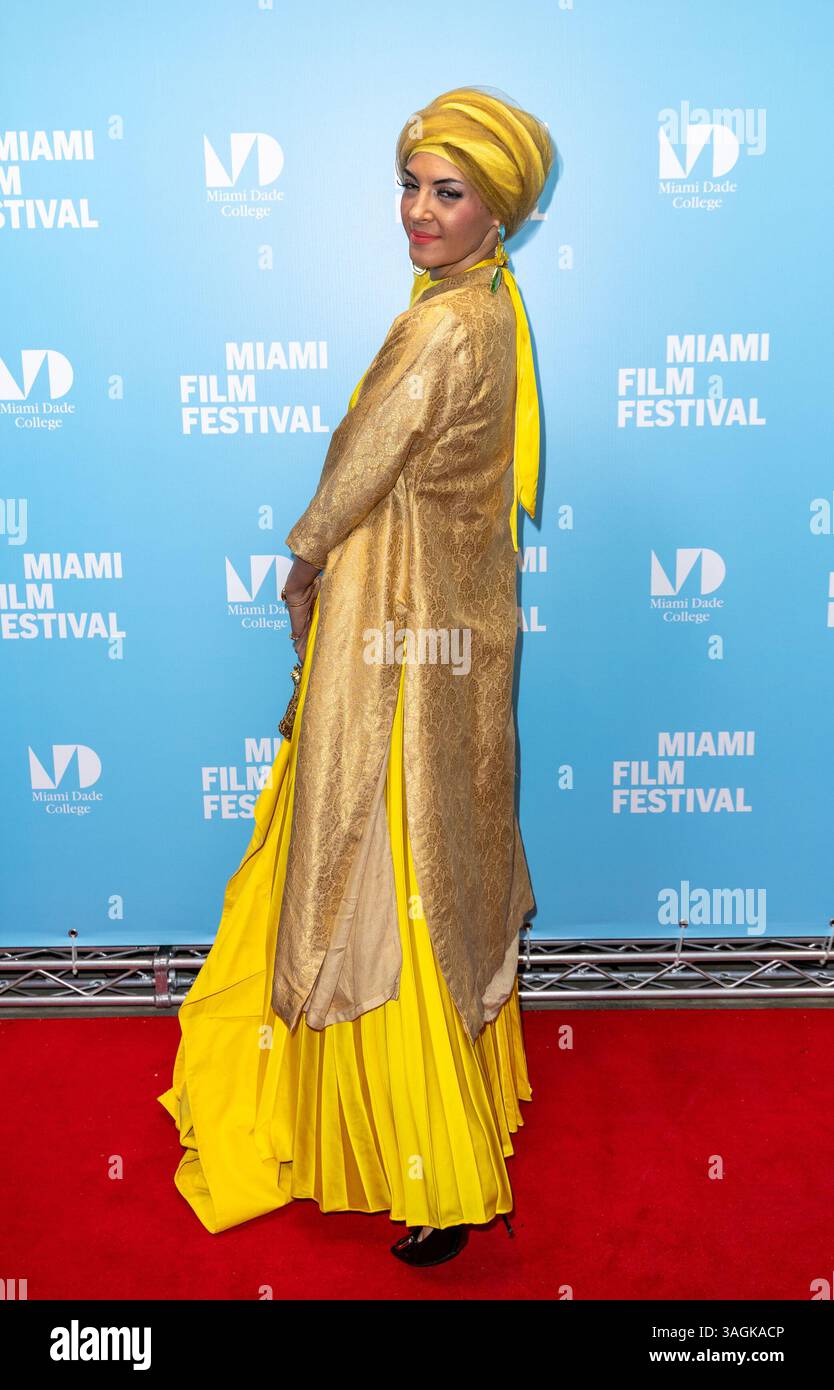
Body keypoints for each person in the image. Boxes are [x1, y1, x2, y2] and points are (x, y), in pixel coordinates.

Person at [157, 84, 553, 1268]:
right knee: (430, 864)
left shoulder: (442, 325)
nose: (420, 212)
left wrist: (305, 551)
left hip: (392, 640)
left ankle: (442, 1171)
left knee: (383, 875)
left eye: (449, 193)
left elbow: (365, 465)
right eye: (412, 187)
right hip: (451, 636)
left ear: (500, 213)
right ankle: (427, 1138)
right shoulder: (487, 309)